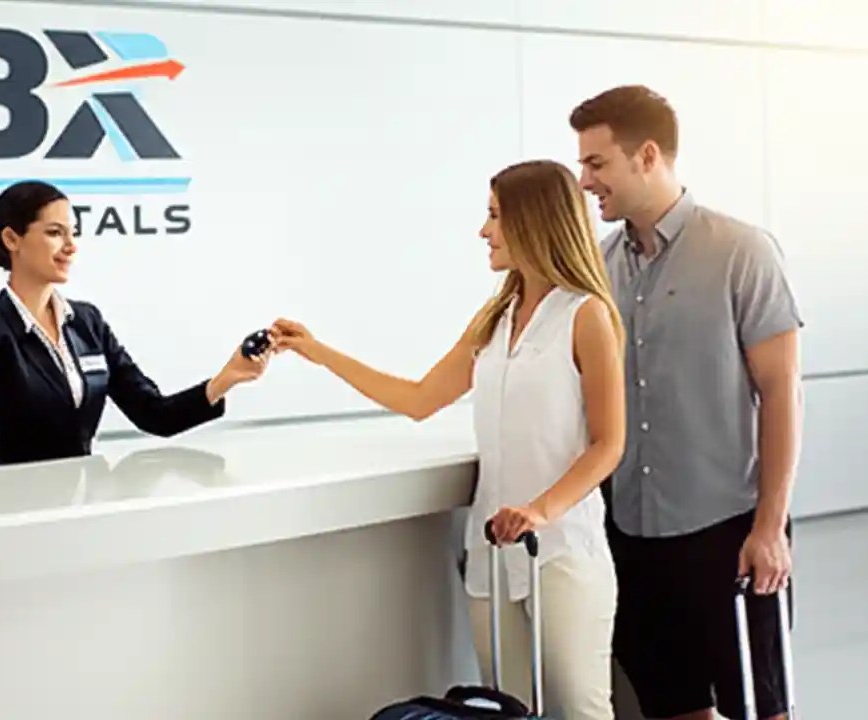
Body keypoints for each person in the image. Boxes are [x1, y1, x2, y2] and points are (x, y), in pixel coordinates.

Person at [271, 160, 626, 720]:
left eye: (493, 216)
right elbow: (417, 399)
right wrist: (318, 351)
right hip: (490, 553)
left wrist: (539, 510)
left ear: (534, 221)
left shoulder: (586, 315)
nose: (483, 231)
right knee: (504, 709)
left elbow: (608, 444)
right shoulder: (495, 318)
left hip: (560, 550)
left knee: (582, 709)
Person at [569, 85, 804, 720]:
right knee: (671, 707)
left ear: (647, 156)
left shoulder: (741, 251)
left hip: (729, 530)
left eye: (597, 164)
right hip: (636, 536)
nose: (586, 180)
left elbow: (781, 393)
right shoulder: (600, 264)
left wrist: (770, 528)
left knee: (761, 707)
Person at [0, 180, 270, 470]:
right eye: (55, 233)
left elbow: (153, 413)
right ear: (11, 239)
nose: (71, 246)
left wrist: (227, 378)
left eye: (74, 233)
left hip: (85, 511)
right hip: (21, 522)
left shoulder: (87, 323)